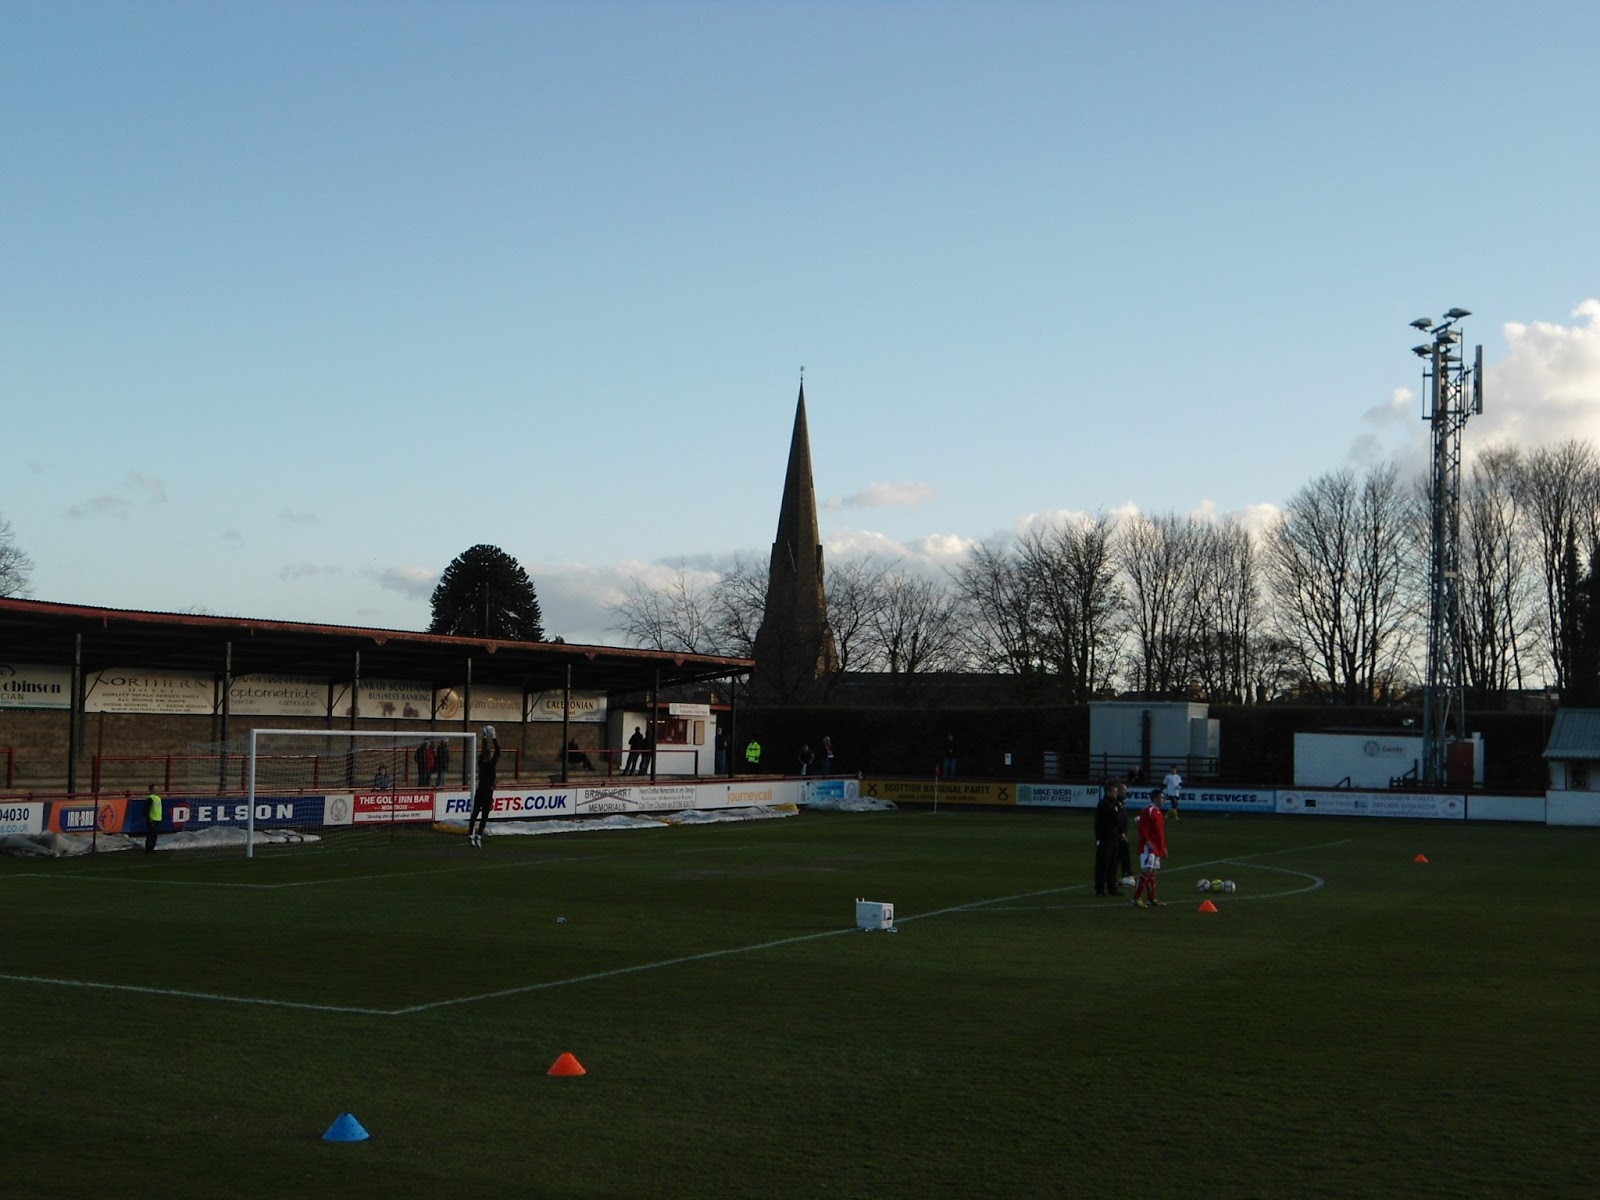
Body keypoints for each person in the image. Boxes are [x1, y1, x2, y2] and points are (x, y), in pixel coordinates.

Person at [1131, 787, 1170, 908]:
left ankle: (1151, 899)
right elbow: (1143, 828)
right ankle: (1136, 898)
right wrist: (1147, 842)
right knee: (1147, 871)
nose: (1164, 800)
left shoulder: (1158, 812)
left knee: (1153, 872)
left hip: (1157, 847)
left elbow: (1160, 833)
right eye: (1162, 798)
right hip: (1149, 847)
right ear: (1155, 798)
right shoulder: (1148, 810)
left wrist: (1163, 847)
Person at [468, 726, 500, 848]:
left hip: (479, 790)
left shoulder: (481, 763)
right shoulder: (491, 764)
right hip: (488, 792)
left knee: (475, 813)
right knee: (484, 816)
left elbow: (483, 750)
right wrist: (494, 736)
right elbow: (498, 751)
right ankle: (479, 836)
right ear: (490, 755)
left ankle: (470, 835)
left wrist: (485, 737)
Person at [1093, 783, 1122, 896]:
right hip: (1105, 838)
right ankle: (1100, 889)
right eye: (1114, 791)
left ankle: (1112, 887)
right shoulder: (1103, 804)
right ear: (1108, 792)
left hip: (1114, 837)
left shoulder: (1115, 803)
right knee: (1103, 864)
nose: (1116, 793)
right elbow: (1113, 818)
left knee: (1113, 864)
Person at [143, 784, 162, 855]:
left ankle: (152, 849)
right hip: (152, 819)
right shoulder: (150, 798)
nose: (156, 790)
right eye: (155, 789)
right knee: (150, 835)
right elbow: (146, 810)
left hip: (157, 819)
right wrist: (149, 819)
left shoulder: (158, 798)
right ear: (150, 790)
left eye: (157, 789)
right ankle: (148, 850)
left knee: (154, 835)